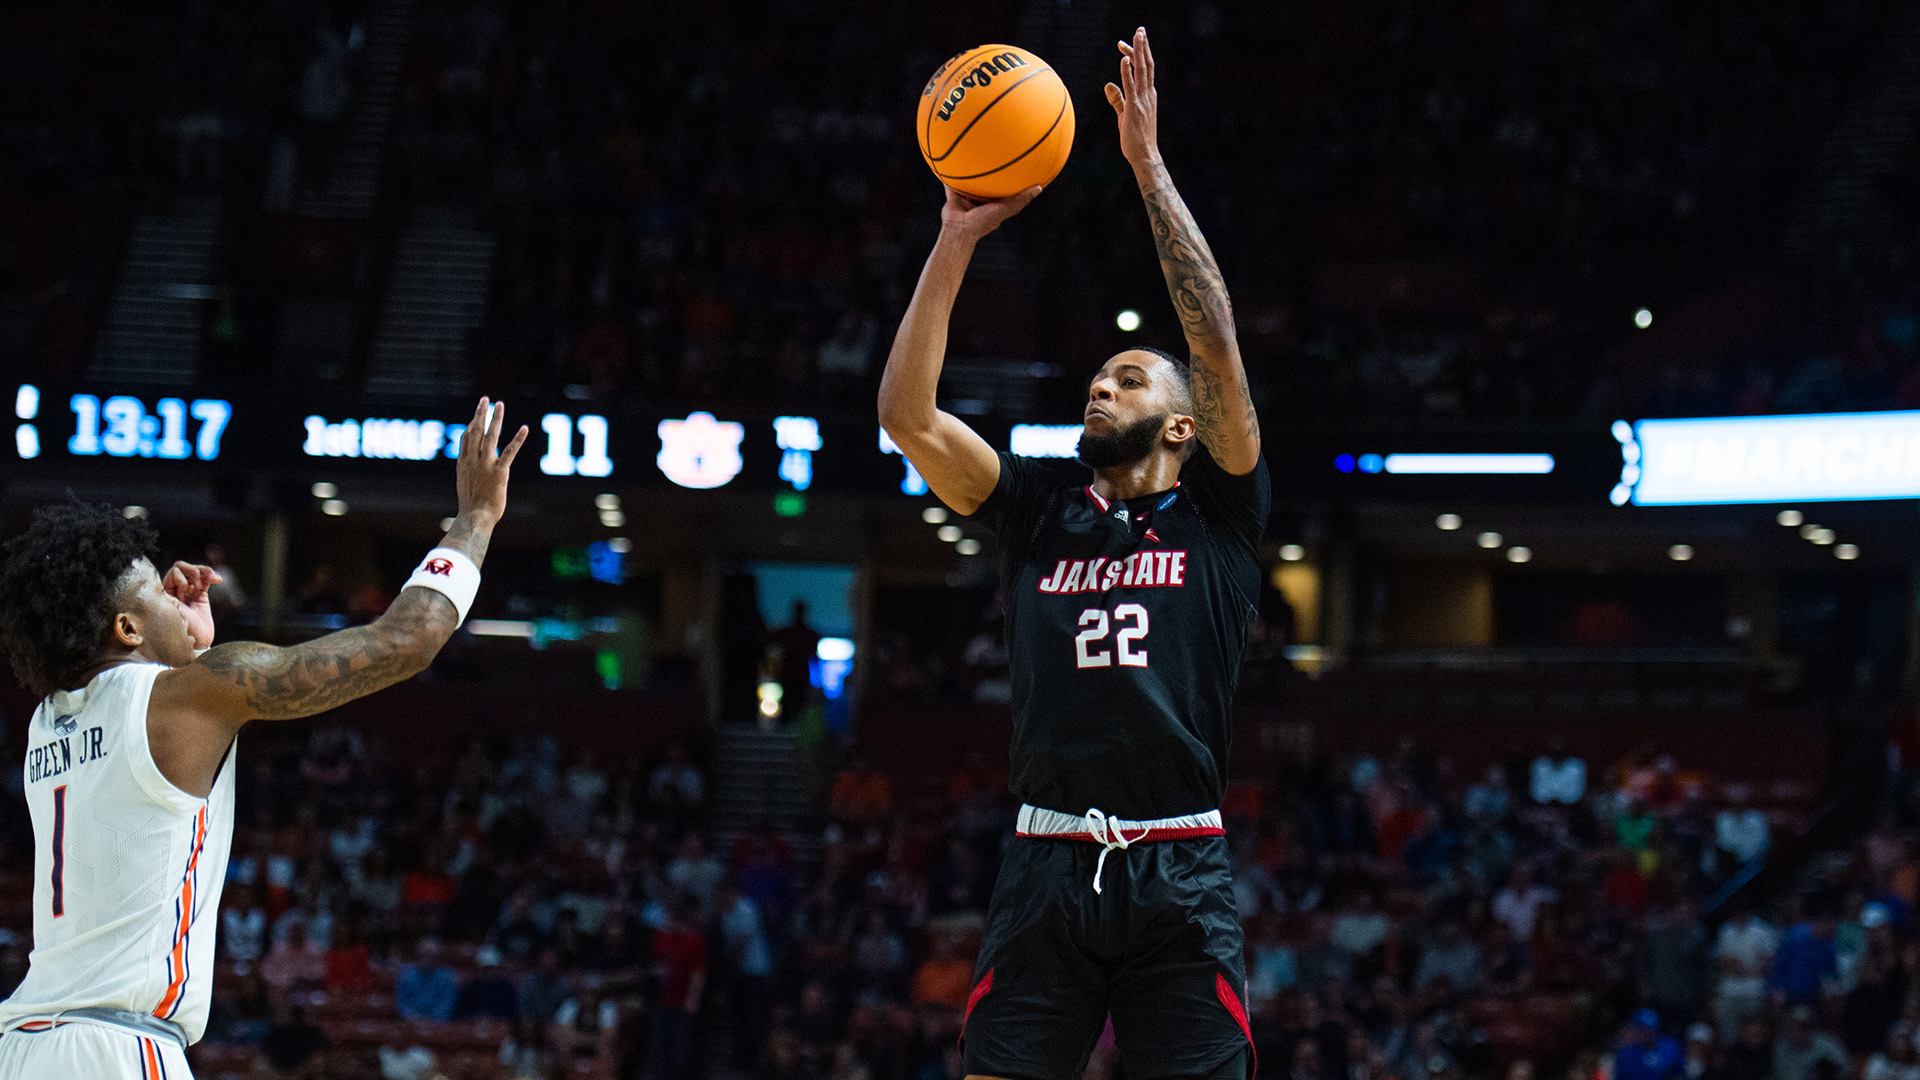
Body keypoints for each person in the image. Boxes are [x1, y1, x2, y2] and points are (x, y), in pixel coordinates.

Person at [876, 28, 1268, 1080]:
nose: (1101, 385)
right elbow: (907, 417)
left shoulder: (1220, 512)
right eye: (1098, 376)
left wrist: (1148, 168)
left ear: (1183, 426)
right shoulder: (1040, 506)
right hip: (1047, 860)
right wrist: (955, 238)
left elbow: (1214, 340)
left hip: (1179, 864)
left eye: (1130, 379)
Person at [0, 399, 526, 1079]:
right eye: (156, 593)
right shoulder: (185, 698)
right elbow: (408, 640)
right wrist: (476, 517)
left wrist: (182, 640)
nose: (177, 596)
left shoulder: (48, 722)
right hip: (115, 1049)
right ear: (127, 630)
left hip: (24, 1043)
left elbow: (145, 721)